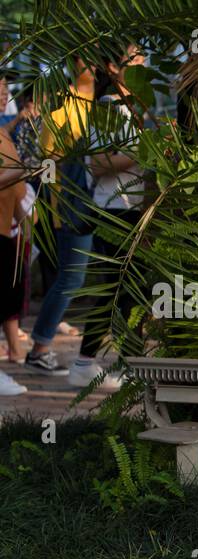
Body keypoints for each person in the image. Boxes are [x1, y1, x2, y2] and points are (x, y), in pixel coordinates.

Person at [68, 44, 150, 391]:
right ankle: (111, 363)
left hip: (131, 208)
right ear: (112, 66)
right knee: (121, 288)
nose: (142, 61)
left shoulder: (134, 104)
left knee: (125, 288)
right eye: (133, 56)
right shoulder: (108, 106)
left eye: (142, 55)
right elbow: (99, 163)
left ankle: (96, 362)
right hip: (114, 209)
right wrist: (143, 151)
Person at [25, 59, 97, 377]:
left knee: (87, 279)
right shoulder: (62, 111)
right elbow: (48, 167)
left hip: (95, 204)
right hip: (73, 206)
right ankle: (40, 348)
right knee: (71, 278)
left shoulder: (97, 102)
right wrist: (62, 210)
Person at [0, 114, 33, 396]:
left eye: (4, 92)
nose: (2, 96)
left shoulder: (4, 136)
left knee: (11, 292)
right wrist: (20, 171)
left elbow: (15, 189)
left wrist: (24, 222)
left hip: (6, 229)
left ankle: (14, 350)